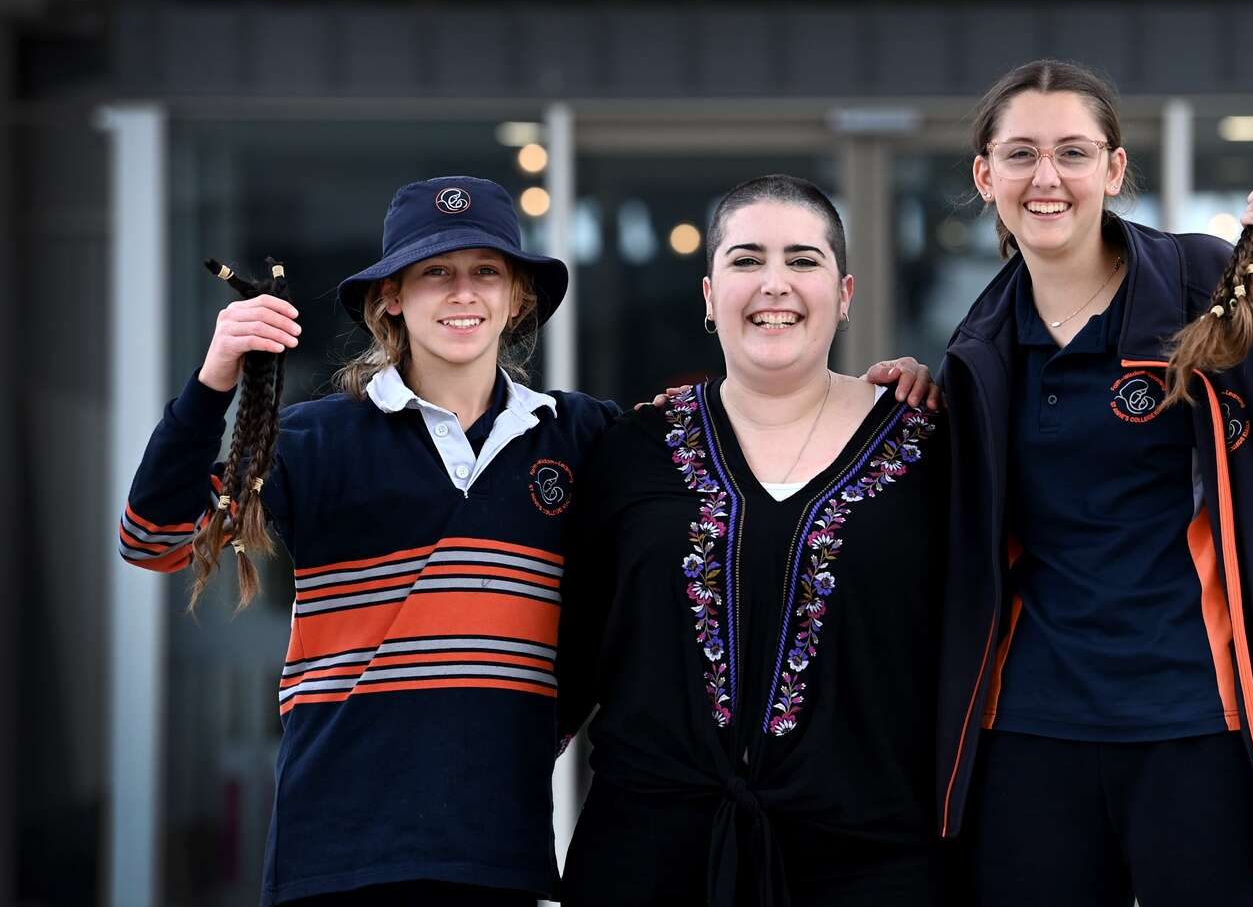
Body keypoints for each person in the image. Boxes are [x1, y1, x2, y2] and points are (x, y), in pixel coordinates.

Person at [115, 175, 933, 906]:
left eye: (485, 273)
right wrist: (214, 378)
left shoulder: (587, 437)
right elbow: (153, 540)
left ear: (517, 301)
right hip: (340, 850)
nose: (461, 293)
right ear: (391, 297)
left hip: (500, 856)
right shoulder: (316, 441)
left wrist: (878, 389)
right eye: (435, 272)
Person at [933, 61, 1253, 907]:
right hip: (1031, 739)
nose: (1047, 178)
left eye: (1073, 153)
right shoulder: (979, 345)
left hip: (1207, 732)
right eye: (1020, 155)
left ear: (1114, 170)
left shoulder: (1209, 289)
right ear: (985, 176)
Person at [559, 175, 950, 907]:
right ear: (710, 296)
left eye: (803, 260)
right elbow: (567, 656)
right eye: (747, 260)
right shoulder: (633, 449)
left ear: (845, 293)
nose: (775, 284)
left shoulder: (932, 449)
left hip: (873, 864)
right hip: (650, 861)